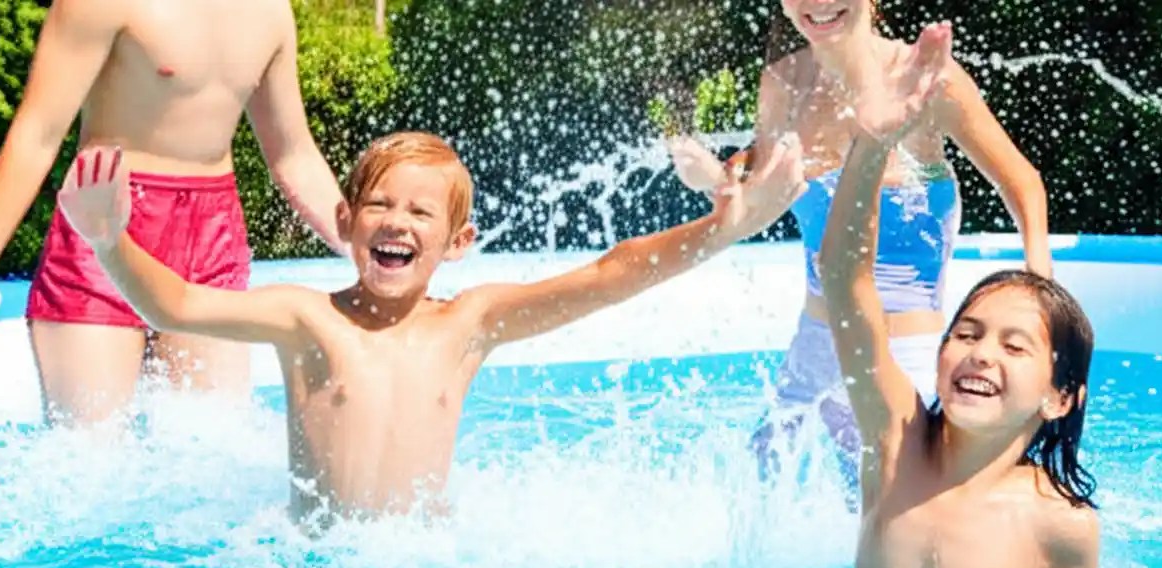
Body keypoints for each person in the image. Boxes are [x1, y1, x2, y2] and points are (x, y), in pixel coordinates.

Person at [51, 130, 808, 526]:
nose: (396, 223)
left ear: (457, 241)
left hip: (422, 567)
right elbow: (176, 306)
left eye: (421, 213)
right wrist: (109, 241)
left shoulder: (469, 325)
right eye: (380, 206)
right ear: (345, 222)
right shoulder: (306, 318)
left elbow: (610, 275)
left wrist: (724, 230)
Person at [774, 23, 1103, 568]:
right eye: (969, 333)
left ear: (1058, 396)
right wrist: (872, 144)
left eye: (1016, 347)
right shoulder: (894, 446)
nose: (983, 352)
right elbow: (844, 280)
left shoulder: (1060, 524)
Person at [669, 0, 1052, 491]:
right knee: (756, 502)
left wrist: (1039, 299)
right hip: (812, 352)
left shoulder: (924, 77)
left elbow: (1022, 182)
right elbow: (758, 198)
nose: (817, 5)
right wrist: (714, 182)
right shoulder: (784, 83)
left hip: (903, 355)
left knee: (909, 514)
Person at [0, 0, 348, 425]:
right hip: (105, 226)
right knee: (90, 455)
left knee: (213, 444)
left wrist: (359, 248)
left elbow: (294, 158)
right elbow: (36, 135)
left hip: (210, 234)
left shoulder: (269, 13)